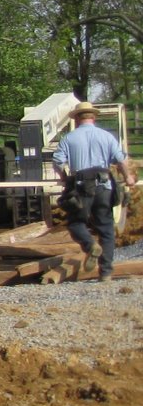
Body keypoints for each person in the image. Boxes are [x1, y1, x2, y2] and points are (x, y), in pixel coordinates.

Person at [53, 102, 136, 281]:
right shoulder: (106, 137)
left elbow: (58, 162)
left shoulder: (69, 138)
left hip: (81, 186)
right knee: (106, 228)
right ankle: (105, 273)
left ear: (76, 118)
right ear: (94, 117)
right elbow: (121, 160)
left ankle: (90, 245)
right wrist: (128, 177)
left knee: (76, 223)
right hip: (104, 187)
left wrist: (64, 178)